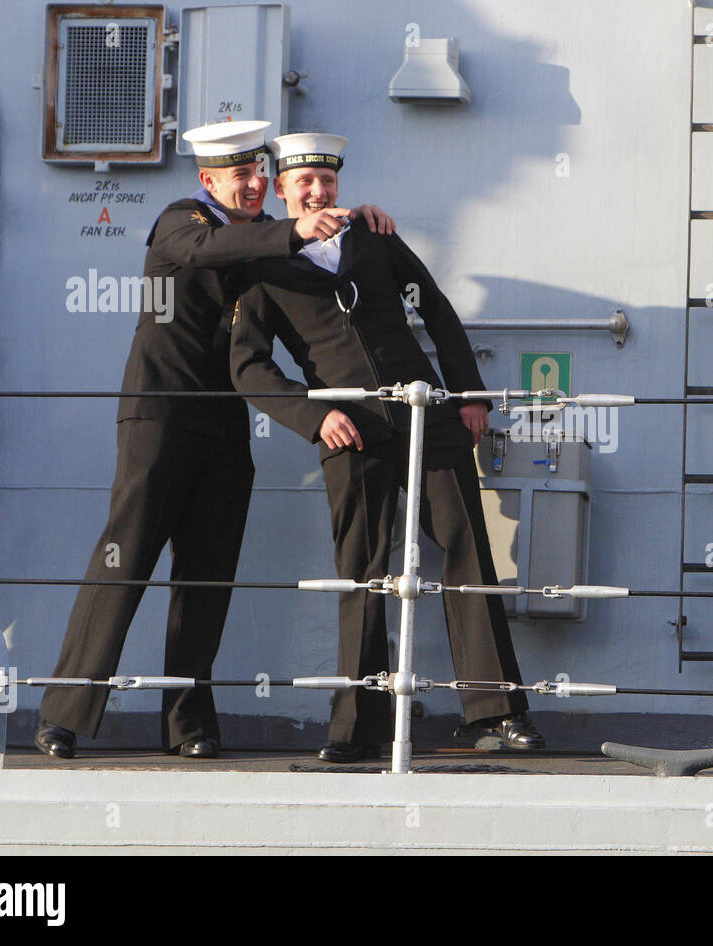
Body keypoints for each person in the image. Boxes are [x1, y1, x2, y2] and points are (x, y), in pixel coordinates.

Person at [34, 121, 396, 760]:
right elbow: (206, 251)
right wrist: (292, 230)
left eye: (261, 174)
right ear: (208, 181)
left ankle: (188, 725)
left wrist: (357, 221)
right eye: (242, 176)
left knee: (206, 580)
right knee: (124, 562)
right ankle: (64, 712)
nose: (257, 184)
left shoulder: (260, 247)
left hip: (225, 427)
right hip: (161, 419)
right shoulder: (181, 221)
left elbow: (310, 292)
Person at [230, 132, 544, 762]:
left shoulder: (375, 236)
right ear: (285, 191)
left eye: (327, 181)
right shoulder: (263, 265)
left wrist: (470, 395)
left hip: (427, 420)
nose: (319, 193)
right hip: (350, 433)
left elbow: (438, 309)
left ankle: (495, 711)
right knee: (364, 571)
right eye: (305, 185)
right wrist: (311, 418)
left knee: (466, 554)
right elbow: (249, 368)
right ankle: (358, 724)